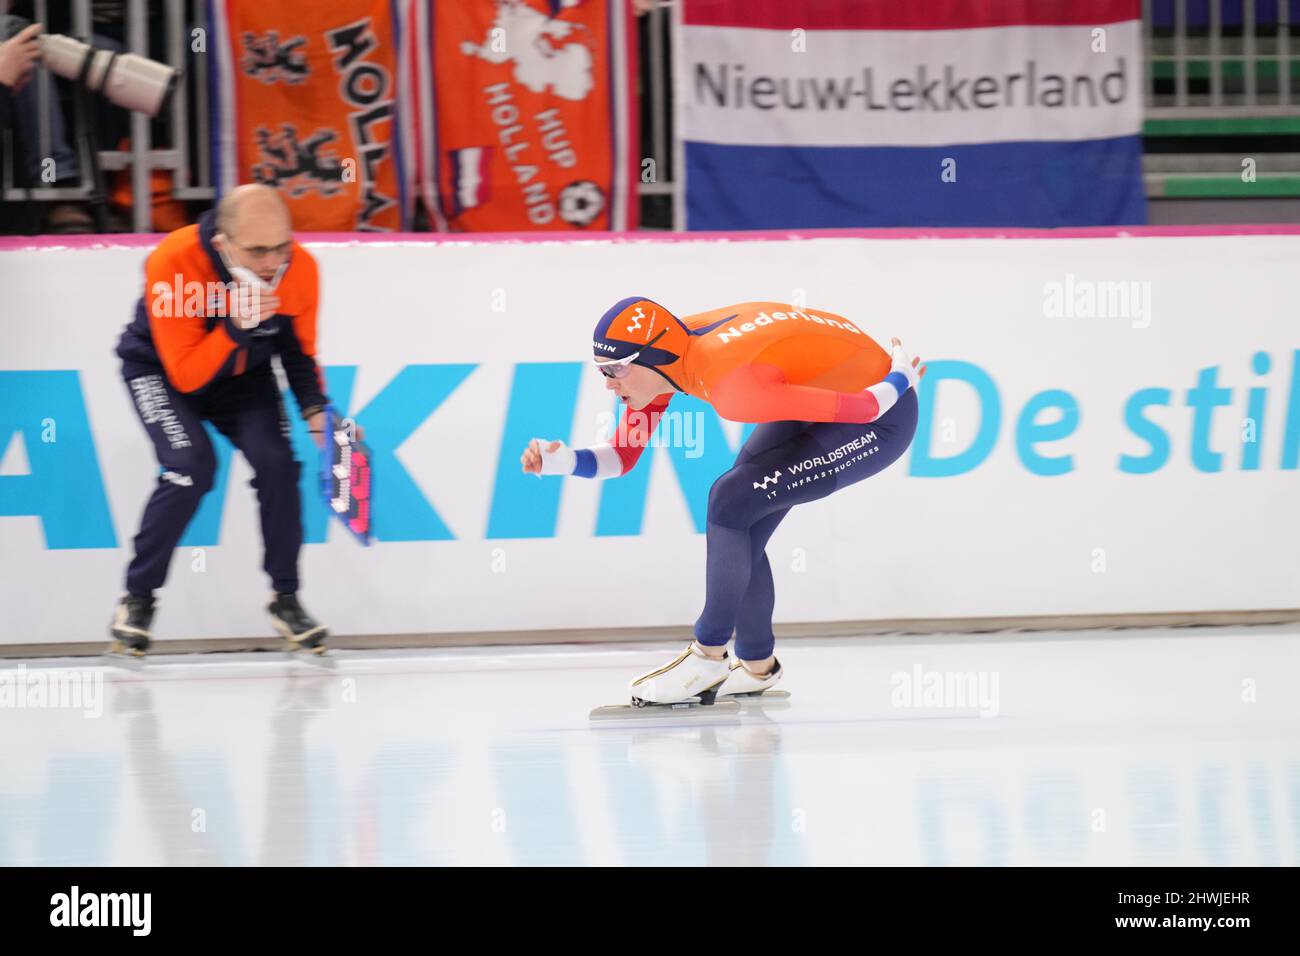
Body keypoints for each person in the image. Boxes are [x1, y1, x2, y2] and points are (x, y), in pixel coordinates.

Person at [521, 297, 924, 705]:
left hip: (880, 418)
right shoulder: (668, 364)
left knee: (730, 499)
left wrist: (901, 375)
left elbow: (868, 406)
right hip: (823, 386)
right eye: (602, 371)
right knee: (739, 517)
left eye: (615, 369)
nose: (608, 383)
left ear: (653, 359)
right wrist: (564, 461)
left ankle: (708, 656)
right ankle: (757, 665)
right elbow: (622, 456)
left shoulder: (733, 388)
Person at [111, 184, 334, 655]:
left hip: (242, 376)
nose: (273, 262)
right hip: (163, 372)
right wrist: (237, 323)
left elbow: (296, 351)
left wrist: (316, 411)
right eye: (257, 251)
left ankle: (287, 600)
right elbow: (188, 376)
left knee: (278, 465)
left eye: (281, 247)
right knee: (191, 467)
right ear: (222, 244)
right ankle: (138, 598)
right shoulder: (173, 260)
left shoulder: (302, 268)